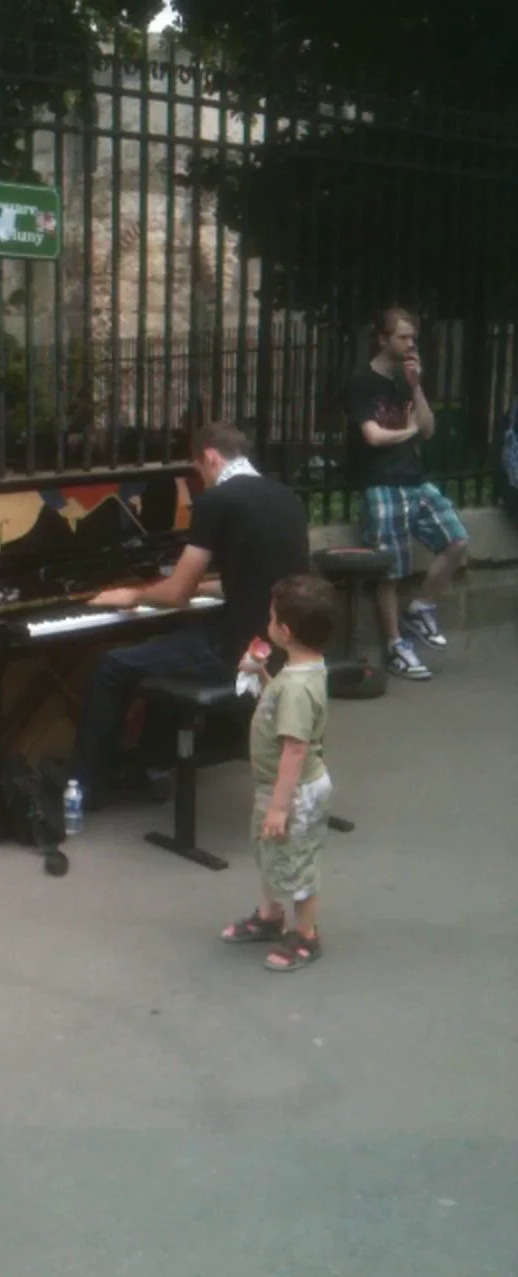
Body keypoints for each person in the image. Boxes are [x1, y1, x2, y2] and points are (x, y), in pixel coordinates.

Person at [72, 422, 311, 806]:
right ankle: (151, 766)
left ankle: (84, 787)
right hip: (278, 646)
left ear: (210, 457)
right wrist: (203, 588)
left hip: (236, 651)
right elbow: (259, 577)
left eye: (197, 470)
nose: (199, 480)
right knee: (166, 653)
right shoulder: (285, 497)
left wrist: (132, 594)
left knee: (112, 665)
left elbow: (175, 593)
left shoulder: (217, 501)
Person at [343, 308, 469, 680]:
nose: (411, 344)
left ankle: (421, 607)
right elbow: (373, 436)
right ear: (383, 339)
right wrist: (409, 430)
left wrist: (415, 386)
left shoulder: (404, 381)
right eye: (403, 337)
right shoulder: (361, 383)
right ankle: (396, 645)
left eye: (413, 337)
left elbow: (428, 430)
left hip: (415, 479)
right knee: (390, 571)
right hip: (380, 483)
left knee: (457, 540)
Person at [221, 574, 335, 973]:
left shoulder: (297, 688)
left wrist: (280, 807)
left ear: (284, 632)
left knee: (297, 860)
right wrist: (260, 674)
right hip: (278, 786)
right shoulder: (301, 672)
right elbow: (279, 704)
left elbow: (294, 748)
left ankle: (306, 934)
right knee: (270, 850)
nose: (267, 623)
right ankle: (270, 916)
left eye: (272, 618)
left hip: (293, 791)